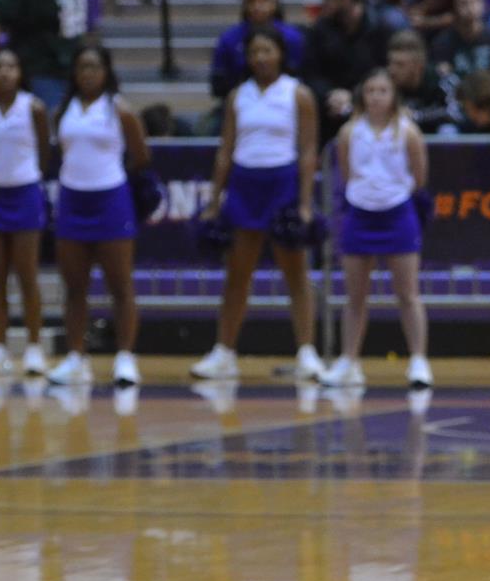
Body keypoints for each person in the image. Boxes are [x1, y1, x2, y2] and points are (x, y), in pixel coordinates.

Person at [192, 26, 325, 384]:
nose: (261, 57)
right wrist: (215, 198)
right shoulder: (238, 96)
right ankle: (224, 353)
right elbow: (226, 149)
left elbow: (309, 150)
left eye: (268, 50)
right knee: (238, 273)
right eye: (255, 52)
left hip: (282, 184)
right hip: (244, 184)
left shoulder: (298, 95)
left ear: (280, 53)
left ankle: (307, 352)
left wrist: (305, 201)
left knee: (295, 272)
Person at [325, 68, 433, 395]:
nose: (376, 96)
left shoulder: (408, 132)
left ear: (393, 95)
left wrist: (391, 193)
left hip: (398, 213)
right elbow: (346, 171)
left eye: (382, 91)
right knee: (355, 295)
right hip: (360, 213)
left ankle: (418, 359)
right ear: (362, 95)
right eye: (370, 90)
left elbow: (420, 175)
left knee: (407, 293)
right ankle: (349, 361)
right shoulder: (349, 132)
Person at [50, 44, 148, 387]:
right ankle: (77, 357)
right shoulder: (64, 111)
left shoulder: (119, 110)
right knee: (74, 286)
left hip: (110, 200)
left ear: (106, 71)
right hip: (73, 201)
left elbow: (141, 156)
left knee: (120, 285)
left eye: (94, 66)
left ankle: (125, 357)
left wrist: (109, 177)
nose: (88, 73)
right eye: (82, 67)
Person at [0, 45, 52, 377]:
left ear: (21, 73)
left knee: (27, 274)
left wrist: (30, 176)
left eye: (11, 66)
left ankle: (34, 347)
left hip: (24, 193)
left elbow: (45, 151)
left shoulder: (33, 107)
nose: (4, 72)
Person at [304, 0, 396, 141]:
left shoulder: (380, 28)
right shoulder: (320, 29)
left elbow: (386, 73)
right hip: (329, 109)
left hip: (370, 107)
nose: (323, 2)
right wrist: (330, 94)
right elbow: (311, 73)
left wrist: (354, 96)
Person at [210, 0, 306, 110]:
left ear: (275, 4)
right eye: (252, 1)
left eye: (264, 1)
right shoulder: (229, 39)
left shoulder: (293, 38)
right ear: (245, 5)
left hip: (286, 103)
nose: (257, 7)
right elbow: (218, 84)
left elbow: (301, 77)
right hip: (239, 104)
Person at [387, 29, 458, 131]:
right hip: (402, 138)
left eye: (400, 64)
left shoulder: (442, 80)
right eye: (390, 63)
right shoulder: (386, 83)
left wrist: (416, 116)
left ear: (418, 65)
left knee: (448, 130)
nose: (392, 70)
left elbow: (455, 113)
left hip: (437, 137)